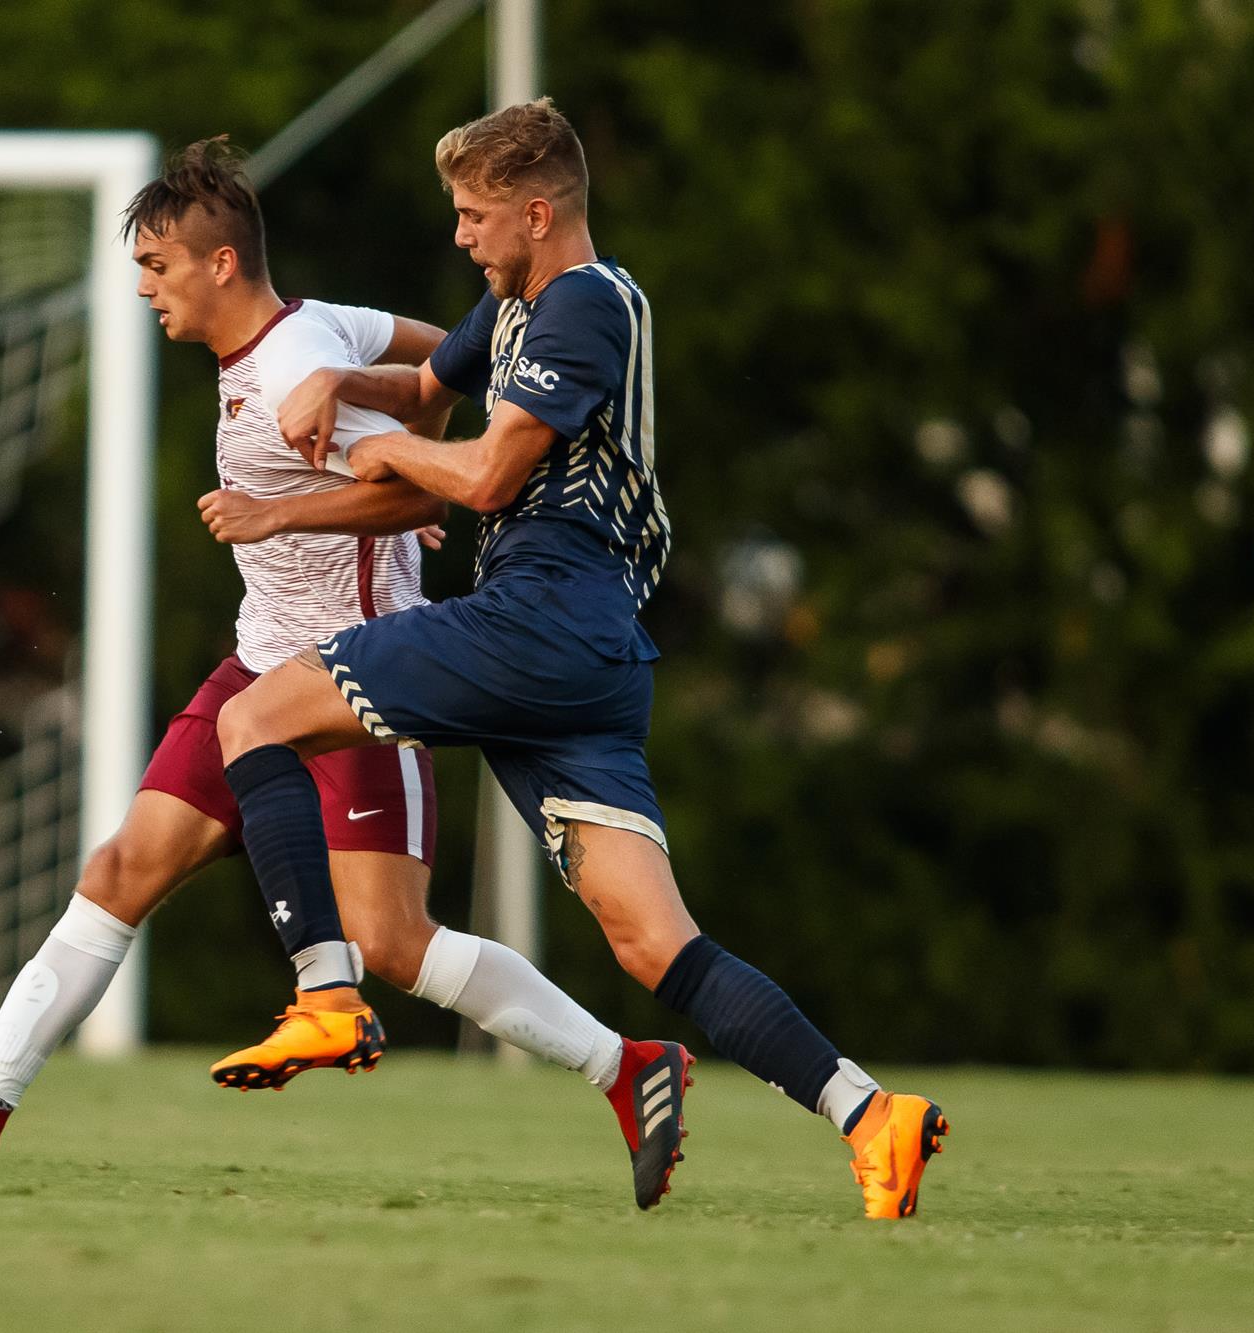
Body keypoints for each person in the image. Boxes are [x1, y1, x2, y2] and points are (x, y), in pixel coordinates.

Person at [0, 138, 691, 1210]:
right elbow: (439, 353)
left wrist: (304, 495)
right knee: (120, 869)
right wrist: (422, 404)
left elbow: (419, 500)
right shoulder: (315, 329)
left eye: (157, 266)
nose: (145, 288)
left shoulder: (287, 370)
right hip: (256, 661)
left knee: (393, 940)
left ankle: (625, 1067)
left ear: (222, 264)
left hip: (353, 684)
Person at [227, 100, 950, 1221]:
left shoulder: (581, 306)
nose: (460, 237)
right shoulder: (516, 298)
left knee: (254, 720)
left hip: (538, 618)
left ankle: (324, 992)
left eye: (473, 217)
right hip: (592, 653)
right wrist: (330, 383)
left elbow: (480, 480)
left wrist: (360, 446)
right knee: (653, 941)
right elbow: (427, 386)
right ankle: (870, 1113)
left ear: (535, 210)